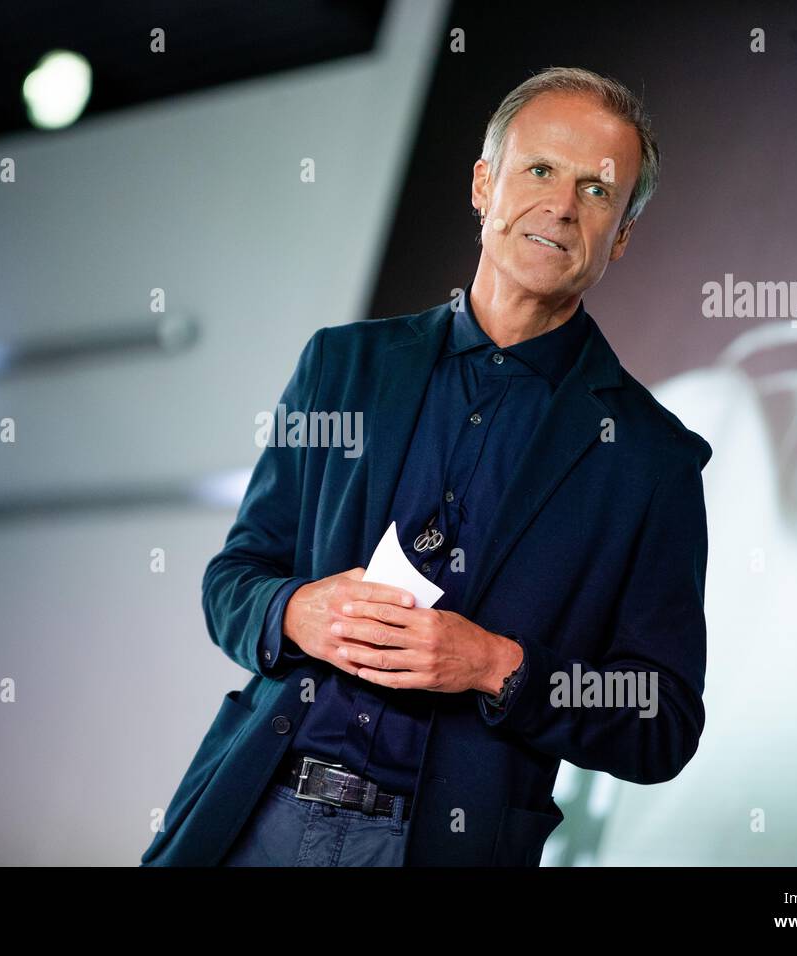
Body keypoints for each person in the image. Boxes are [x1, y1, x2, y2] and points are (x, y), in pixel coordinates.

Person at [142, 66, 712, 867]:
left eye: (596, 190)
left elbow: (660, 718)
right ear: (485, 184)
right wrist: (295, 611)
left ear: (619, 235)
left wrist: (496, 666)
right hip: (247, 817)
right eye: (540, 169)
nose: (560, 204)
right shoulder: (342, 366)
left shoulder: (654, 460)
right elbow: (232, 581)